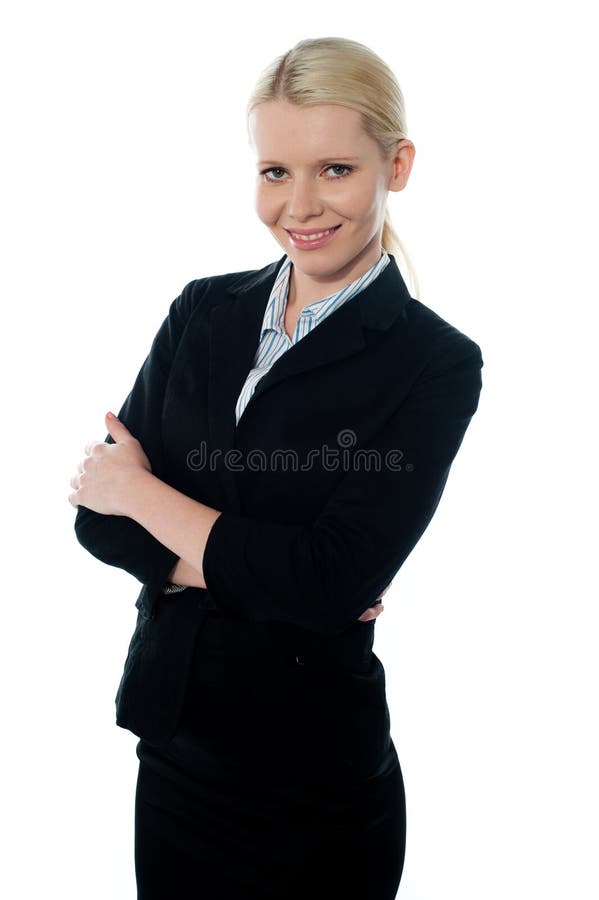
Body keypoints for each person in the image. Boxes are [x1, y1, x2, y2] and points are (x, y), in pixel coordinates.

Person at [69, 36, 483, 900]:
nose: (299, 204)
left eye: (334, 169)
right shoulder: (201, 311)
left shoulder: (433, 363)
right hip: (173, 750)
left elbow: (326, 582)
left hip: (314, 785)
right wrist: (283, 573)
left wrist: (142, 492)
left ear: (396, 166)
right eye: (274, 172)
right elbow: (98, 526)